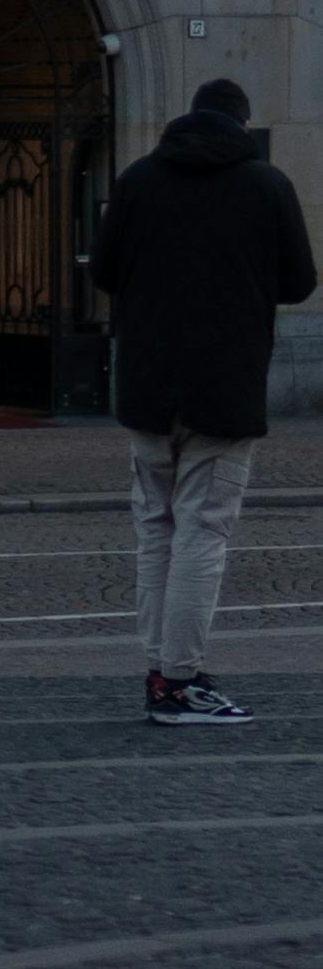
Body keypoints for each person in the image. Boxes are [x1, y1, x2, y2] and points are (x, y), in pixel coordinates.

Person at [90, 77, 315, 725]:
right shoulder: (266, 185)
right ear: (243, 124)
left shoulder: (136, 181)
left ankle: (162, 667)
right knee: (203, 530)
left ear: (188, 118)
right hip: (224, 384)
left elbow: (104, 273)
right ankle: (179, 680)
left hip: (147, 386)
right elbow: (299, 282)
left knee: (155, 528)